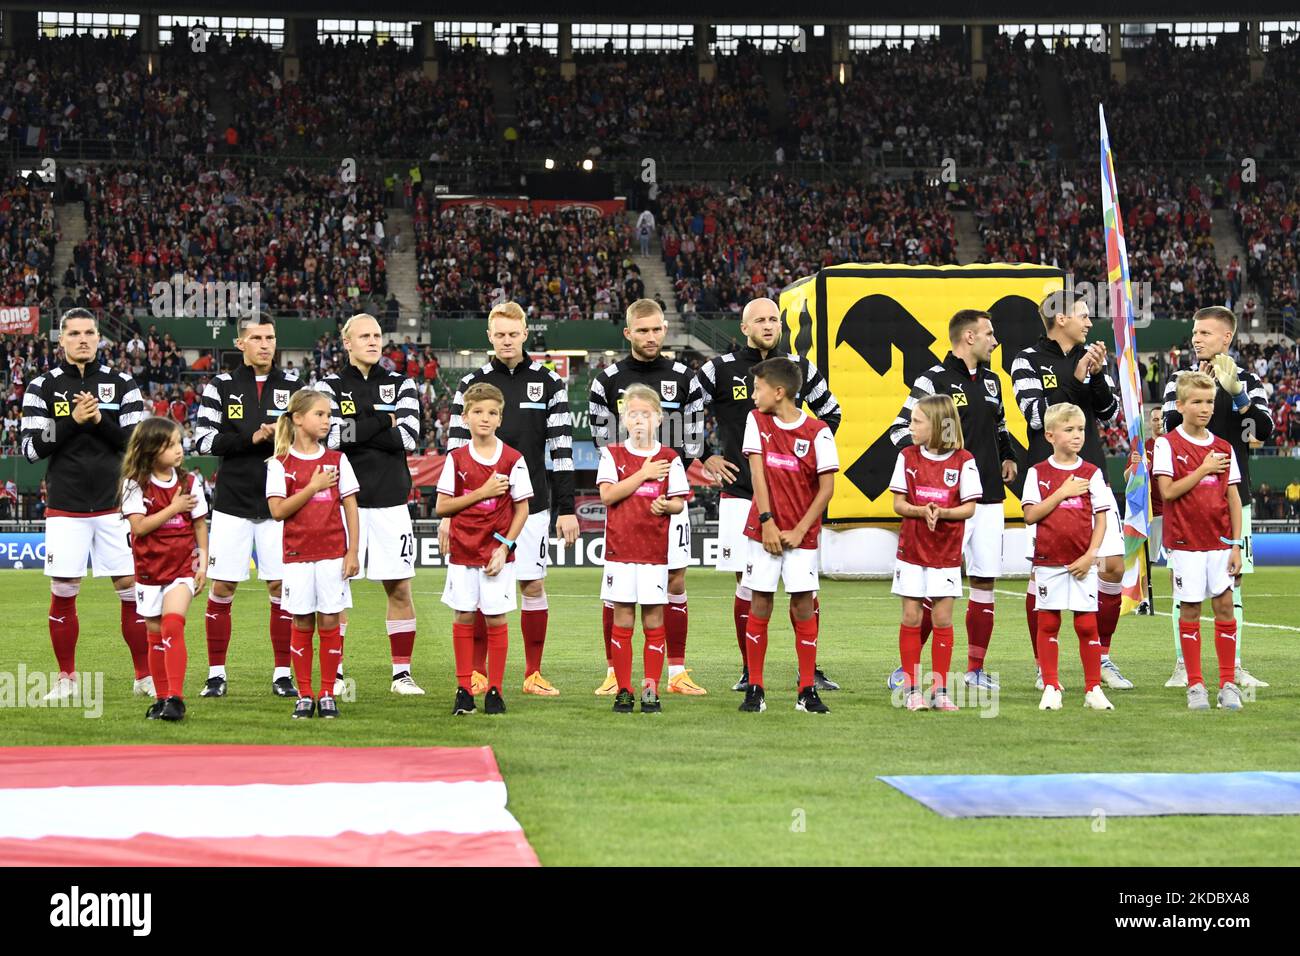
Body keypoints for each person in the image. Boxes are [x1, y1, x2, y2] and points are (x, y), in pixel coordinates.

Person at [694, 297, 842, 695]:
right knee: (748, 584)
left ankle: (808, 671)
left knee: (804, 587)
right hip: (743, 492)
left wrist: (806, 456)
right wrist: (703, 455)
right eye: (759, 319)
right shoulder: (718, 368)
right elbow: (681, 409)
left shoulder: (798, 367)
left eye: (774, 318)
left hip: (795, 499)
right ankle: (748, 669)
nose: (768, 325)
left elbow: (833, 413)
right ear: (743, 327)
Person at [443, 301, 579, 697]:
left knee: (532, 585)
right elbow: (454, 451)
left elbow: (562, 449)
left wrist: (566, 508)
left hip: (530, 506)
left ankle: (533, 673)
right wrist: (450, 515)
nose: (506, 340)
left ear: (525, 334)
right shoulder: (471, 383)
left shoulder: (550, 382)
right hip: (478, 510)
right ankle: (479, 673)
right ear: (490, 336)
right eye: (499, 334)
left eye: (513, 333)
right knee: (483, 588)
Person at [21, 308, 150, 701]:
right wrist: (74, 420)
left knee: (131, 589)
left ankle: (144, 677)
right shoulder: (40, 387)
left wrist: (97, 421)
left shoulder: (122, 383)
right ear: (60, 340)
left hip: (116, 504)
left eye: (89, 332)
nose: (82, 339)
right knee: (64, 589)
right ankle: (66, 679)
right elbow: (29, 449)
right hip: (65, 503)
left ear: (99, 338)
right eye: (74, 333)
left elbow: (136, 445)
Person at [886, 309, 1018, 692]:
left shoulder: (993, 381)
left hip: (988, 495)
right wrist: (922, 473)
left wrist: (1007, 454)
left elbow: (1000, 425)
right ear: (969, 337)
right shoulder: (934, 379)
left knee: (984, 581)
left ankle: (975, 670)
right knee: (936, 586)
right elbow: (900, 430)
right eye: (989, 334)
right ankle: (907, 669)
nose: (995, 341)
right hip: (945, 503)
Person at [1011, 293, 1130, 690]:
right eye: (1082, 314)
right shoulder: (1026, 359)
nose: (1089, 322)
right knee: (1041, 571)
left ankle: (1104, 655)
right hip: (1047, 477)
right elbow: (1033, 416)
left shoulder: (1093, 359)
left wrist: (1094, 376)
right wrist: (1075, 378)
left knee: (1113, 566)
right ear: (1060, 318)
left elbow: (1109, 413)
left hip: (1092, 471)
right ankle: (1041, 663)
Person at [588, 299, 706, 696]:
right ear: (628, 333)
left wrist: (667, 481)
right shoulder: (606, 380)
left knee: (675, 580)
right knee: (615, 589)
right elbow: (603, 441)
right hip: (623, 502)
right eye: (643, 331)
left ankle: (677, 671)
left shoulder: (685, 377)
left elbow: (693, 439)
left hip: (668, 497)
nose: (651, 337)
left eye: (657, 329)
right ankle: (613, 672)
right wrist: (639, 481)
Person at [1160, 306, 1273, 689]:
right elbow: (1168, 427)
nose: (1196, 338)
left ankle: (1235, 665)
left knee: (1233, 584)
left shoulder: (1249, 380)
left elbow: (1260, 432)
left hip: (1231, 499)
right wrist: (1201, 389)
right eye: (1195, 331)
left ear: (1226, 338)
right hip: (1187, 501)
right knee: (1184, 587)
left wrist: (1237, 396)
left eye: (1205, 333)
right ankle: (1182, 665)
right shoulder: (1178, 379)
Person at [194, 313, 304, 698]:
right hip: (232, 503)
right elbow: (203, 441)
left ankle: (281, 674)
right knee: (223, 586)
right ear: (240, 343)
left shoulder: (293, 387)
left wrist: (286, 434)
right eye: (256, 338)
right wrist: (252, 438)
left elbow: (317, 435)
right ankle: (216, 673)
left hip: (281, 503)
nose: (264, 344)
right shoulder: (221, 386)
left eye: (270, 337)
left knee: (281, 586)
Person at [319, 313, 424, 695]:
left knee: (399, 588)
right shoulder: (328, 386)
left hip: (391, 501)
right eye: (364, 336)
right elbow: (327, 439)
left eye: (377, 335)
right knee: (336, 592)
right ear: (347, 342)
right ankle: (337, 672)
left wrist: (359, 430)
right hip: (343, 503)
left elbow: (409, 438)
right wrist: (382, 422)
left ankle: (401, 675)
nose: (373, 341)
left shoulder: (402, 383)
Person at [737, 358, 838, 715]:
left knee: (802, 605)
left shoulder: (819, 431)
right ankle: (755, 688)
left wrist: (799, 529)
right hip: (763, 532)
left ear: (779, 392)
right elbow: (758, 475)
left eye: (758, 388)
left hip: (800, 536)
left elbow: (826, 489)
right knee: (760, 603)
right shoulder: (756, 421)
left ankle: (807, 689)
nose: (753, 396)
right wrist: (766, 521)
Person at [437, 382, 532, 717]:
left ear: (500, 418)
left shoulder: (513, 459)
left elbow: (522, 509)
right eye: (477, 411)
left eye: (492, 412)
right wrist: (482, 491)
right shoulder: (456, 459)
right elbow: (442, 507)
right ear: (465, 417)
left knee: (495, 619)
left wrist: (504, 548)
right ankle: (464, 689)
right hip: (463, 551)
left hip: (496, 555)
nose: (485, 418)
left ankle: (495, 690)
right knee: (463, 615)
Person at [1152, 372, 1245, 711]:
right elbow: (1168, 492)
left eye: (1209, 402)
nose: (1205, 408)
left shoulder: (1224, 447)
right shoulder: (1167, 445)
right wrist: (1203, 469)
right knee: (1190, 609)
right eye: (1197, 402)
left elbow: (1233, 498)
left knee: (1224, 607)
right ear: (1180, 405)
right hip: (1185, 543)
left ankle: (1227, 684)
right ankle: (1195, 685)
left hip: (1220, 544)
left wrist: (1236, 544)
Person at [265, 390, 361, 720]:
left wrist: (352, 551)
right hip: (297, 555)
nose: (327, 420)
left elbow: (350, 507)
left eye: (328, 414)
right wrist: (313, 487)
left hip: (334, 554)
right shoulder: (280, 465)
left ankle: (327, 693)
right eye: (320, 414)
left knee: (331, 620)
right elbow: (277, 511)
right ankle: (304, 694)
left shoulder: (338, 460)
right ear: (297, 419)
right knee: (302, 620)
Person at [597, 384, 690, 714]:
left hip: (654, 553)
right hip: (620, 552)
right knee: (622, 619)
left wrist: (668, 506)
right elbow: (608, 496)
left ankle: (650, 687)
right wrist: (643, 473)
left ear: (659, 418)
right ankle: (624, 689)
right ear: (623, 419)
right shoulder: (612, 454)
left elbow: (680, 502)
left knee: (653, 620)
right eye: (632, 414)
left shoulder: (670, 458)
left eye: (645, 414)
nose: (639, 420)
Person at [890, 394, 982, 712]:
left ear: (937, 425)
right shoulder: (907, 456)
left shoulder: (964, 460)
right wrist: (920, 510)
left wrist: (942, 513)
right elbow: (898, 504)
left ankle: (940, 690)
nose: (910, 426)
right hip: (912, 550)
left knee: (942, 618)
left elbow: (969, 507)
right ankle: (912, 689)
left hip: (945, 553)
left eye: (916, 421)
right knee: (911, 616)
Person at [1020, 403, 1114, 712]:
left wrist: (1091, 555)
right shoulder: (1037, 473)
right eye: (1069, 429)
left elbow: (1101, 519)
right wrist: (1062, 492)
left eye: (1081, 430)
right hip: (1048, 561)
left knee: (1087, 625)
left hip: (1082, 563)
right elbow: (1031, 514)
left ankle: (1093, 689)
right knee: (1048, 623)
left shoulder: (1092, 473)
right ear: (1050, 435)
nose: (1077, 436)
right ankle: (1050, 686)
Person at [120, 416, 209, 722]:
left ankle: (176, 698)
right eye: (170, 445)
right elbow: (140, 527)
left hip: (181, 568)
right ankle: (160, 698)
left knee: (173, 625)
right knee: (154, 635)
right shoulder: (135, 485)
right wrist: (172, 508)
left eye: (179, 444)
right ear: (150, 449)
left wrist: (201, 563)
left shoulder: (189, 482)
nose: (178, 450)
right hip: (148, 571)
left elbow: (199, 524)